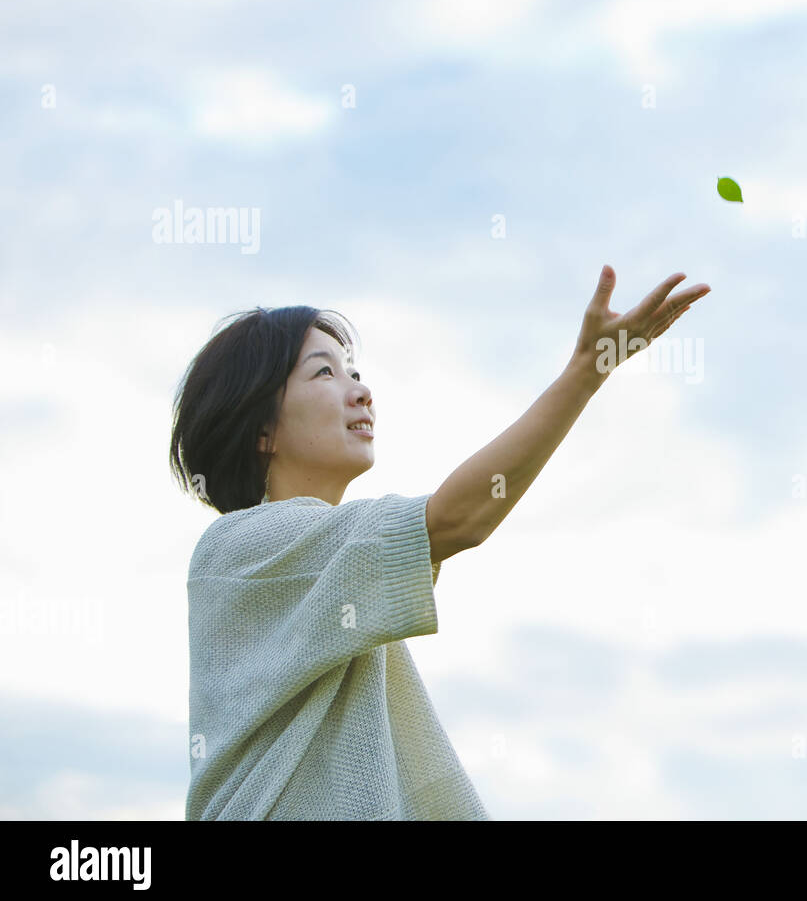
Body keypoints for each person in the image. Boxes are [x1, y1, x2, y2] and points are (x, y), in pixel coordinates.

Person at [169, 266, 710, 820]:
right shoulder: (240, 549)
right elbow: (458, 518)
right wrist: (585, 373)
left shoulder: (335, 583)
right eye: (325, 373)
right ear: (262, 429)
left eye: (354, 371)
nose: (361, 391)